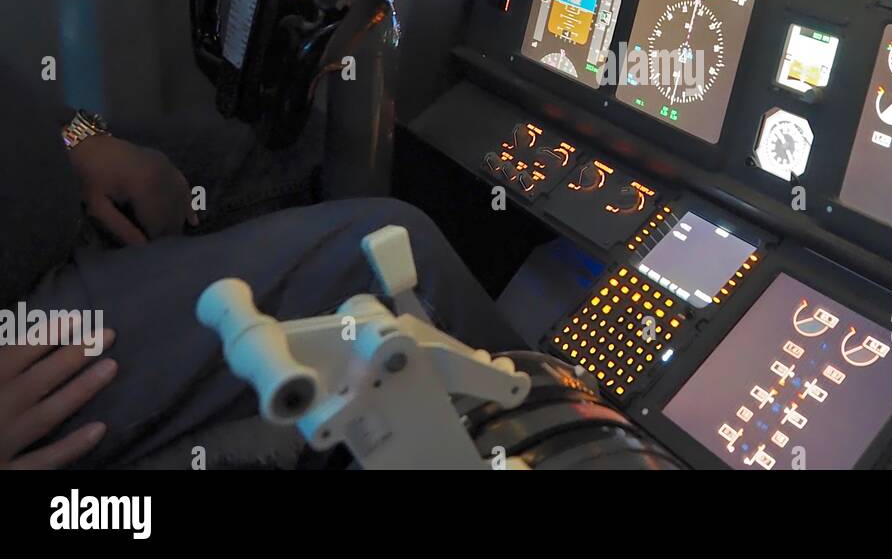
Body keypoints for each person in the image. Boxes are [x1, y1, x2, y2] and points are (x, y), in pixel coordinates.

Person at [0, 59, 522, 469]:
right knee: (391, 250)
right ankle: (562, 427)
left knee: (314, 144)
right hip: (25, 338)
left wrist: (73, 136)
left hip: (47, 186)